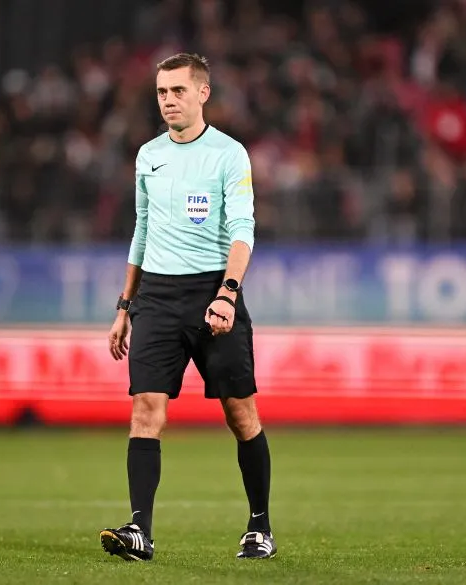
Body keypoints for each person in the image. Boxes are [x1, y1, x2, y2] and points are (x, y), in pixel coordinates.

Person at [98, 53, 275, 561]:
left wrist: (228, 292)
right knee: (145, 410)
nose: (168, 100)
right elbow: (143, 231)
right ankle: (139, 532)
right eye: (161, 92)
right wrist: (125, 305)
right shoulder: (147, 155)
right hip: (155, 295)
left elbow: (243, 229)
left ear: (202, 93)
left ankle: (259, 525)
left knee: (240, 414)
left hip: (212, 294)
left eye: (178, 91)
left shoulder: (228, 154)